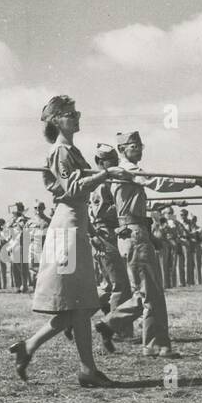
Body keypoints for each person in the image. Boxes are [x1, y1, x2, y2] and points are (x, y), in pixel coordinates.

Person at [8, 95, 125, 387]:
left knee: (80, 304)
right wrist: (106, 173)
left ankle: (40, 350)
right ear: (56, 120)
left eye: (77, 112)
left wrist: (101, 176)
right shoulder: (60, 151)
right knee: (76, 304)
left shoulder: (70, 149)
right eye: (71, 113)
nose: (77, 116)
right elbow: (72, 188)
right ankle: (83, 368)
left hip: (76, 225)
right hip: (66, 230)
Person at [105, 130, 202, 357]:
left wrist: (183, 192)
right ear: (122, 150)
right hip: (135, 234)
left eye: (141, 145)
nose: (139, 149)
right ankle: (154, 344)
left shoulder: (126, 172)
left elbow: (150, 196)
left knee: (143, 292)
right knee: (152, 292)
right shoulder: (128, 169)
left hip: (133, 233)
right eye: (134, 146)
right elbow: (157, 181)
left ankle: (111, 324)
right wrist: (192, 182)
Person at [88, 142, 138, 348]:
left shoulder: (107, 182)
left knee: (108, 287)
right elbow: (100, 213)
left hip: (109, 234)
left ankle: (72, 321)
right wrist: (123, 211)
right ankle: (118, 331)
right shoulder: (101, 184)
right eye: (111, 162)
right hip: (105, 234)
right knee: (120, 286)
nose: (115, 165)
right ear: (100, 162)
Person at [8, 203, 30, 292]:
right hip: (13, 245)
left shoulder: (22, 220)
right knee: (14, 266)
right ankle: (17, 285)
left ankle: (24, 285)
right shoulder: (12, 221)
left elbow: (21, 233)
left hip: (20, 245)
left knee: (22, 266)